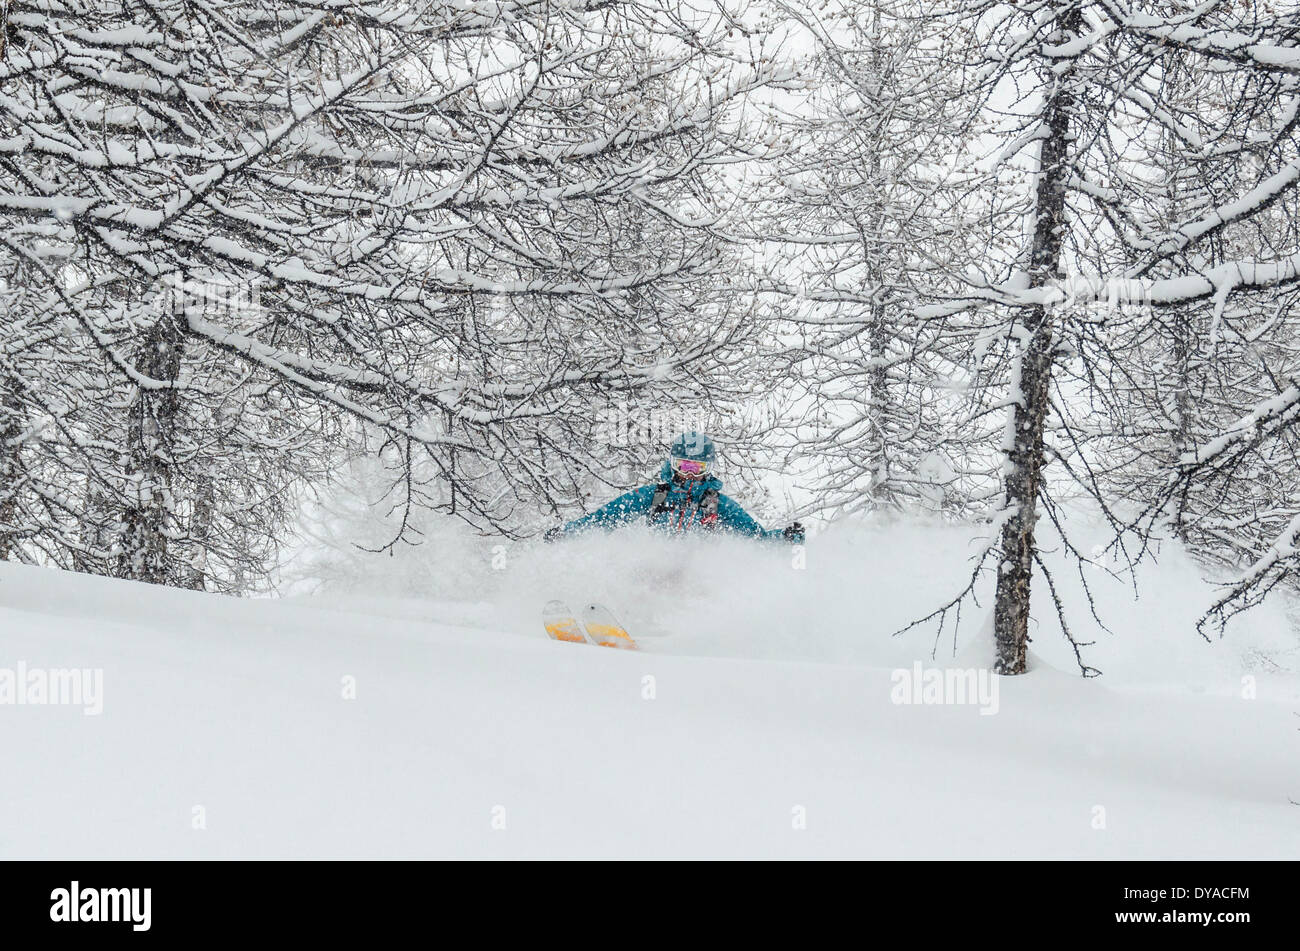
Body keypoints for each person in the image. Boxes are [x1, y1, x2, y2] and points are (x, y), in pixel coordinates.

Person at [544, 432, 804, 542]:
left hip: (696, 570)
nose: (689, 474)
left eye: (697, 468)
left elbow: (754, 537)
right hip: (654, 566)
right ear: (672, 464)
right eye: (684, 466)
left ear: (708, 469)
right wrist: (569, 532)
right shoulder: (656, 495)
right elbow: (608, 517)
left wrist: (783, 538)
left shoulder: (716, 503)